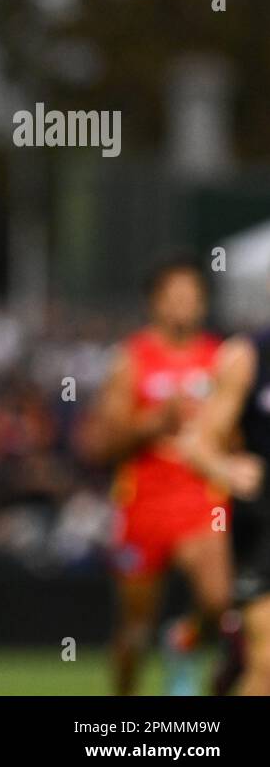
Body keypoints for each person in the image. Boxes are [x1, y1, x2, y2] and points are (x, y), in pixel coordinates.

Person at [82, 254, 229, 695]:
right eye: (175, 296)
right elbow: (99, 445)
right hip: (142, 501)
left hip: (200, 497)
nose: (185, 305)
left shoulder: (220, 358)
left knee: (218, 600)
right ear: (156, 303)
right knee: (134, 630)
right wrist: (152, 423)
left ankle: (183, 642)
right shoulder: (131, 360)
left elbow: (238, 432)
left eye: (193, 296)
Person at [180, 283, 270, 695]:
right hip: (262, 525)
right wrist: (227, 468)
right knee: (267, 662)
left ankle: (233, 651)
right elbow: (197, 441)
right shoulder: (247, 357)